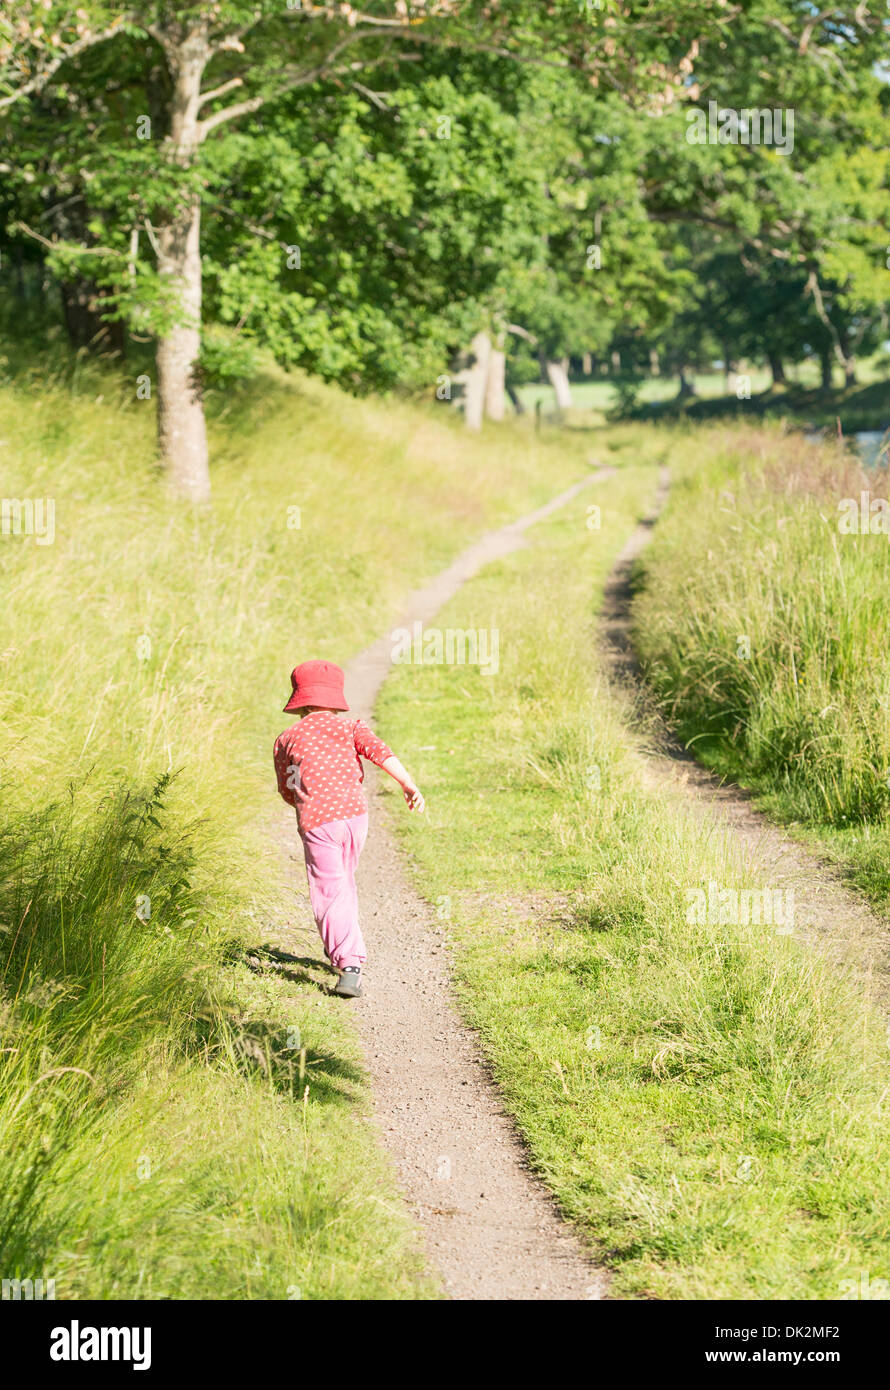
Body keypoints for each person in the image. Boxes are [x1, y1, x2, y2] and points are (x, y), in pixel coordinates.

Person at [273, 659, 424, 997]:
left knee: (328, 889)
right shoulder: (351, 728)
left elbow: (287, 787)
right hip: (356, 818)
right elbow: (380, 753)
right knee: (344, 880)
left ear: (300, 699)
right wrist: (408, 783)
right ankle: (341, 942)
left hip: (318, 822)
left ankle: (349, 965)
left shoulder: (287, 739)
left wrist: (303, 803)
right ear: (335, 697)